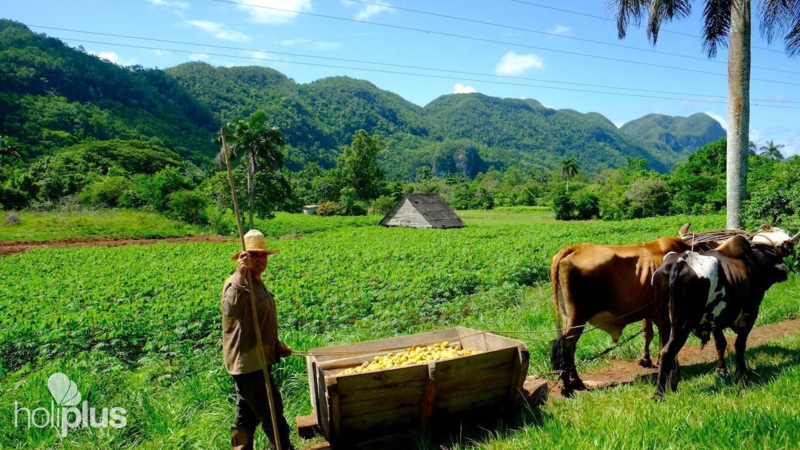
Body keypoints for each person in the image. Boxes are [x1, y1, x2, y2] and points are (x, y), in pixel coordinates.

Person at [222, 229, 295, 450]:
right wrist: (240, 275)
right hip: (249, 363)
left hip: (260, 356)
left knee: (246, 413)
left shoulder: (257, 281)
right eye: (254, 255)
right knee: (272, 411)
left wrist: (275, 345)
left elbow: (260, 323)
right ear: (244, 258)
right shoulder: (237, 283)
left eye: (263, 255)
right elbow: (230, 309)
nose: (261, 259)